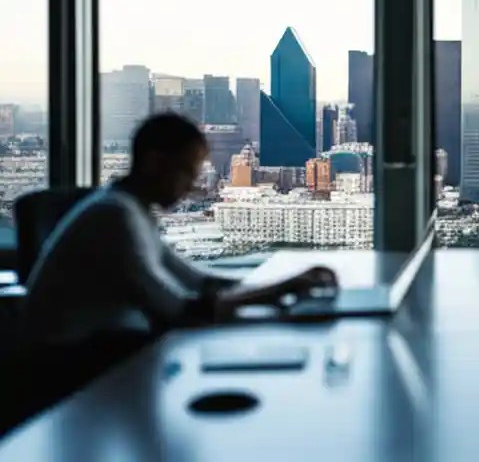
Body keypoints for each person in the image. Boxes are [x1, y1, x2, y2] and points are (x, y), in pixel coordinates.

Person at [13, 114, 337, 417]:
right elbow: (180, 310)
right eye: (187, 172)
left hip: (105, 362)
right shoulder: (115, 218)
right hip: (72, 380)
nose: (192, 187)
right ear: (155, 163)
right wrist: (282, 290)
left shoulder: (131, 210)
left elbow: (198, 281)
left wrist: (282, 286)